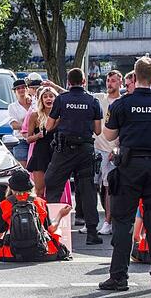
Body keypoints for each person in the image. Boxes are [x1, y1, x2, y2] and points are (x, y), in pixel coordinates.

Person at [101, 56, 151, 291]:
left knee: (123, 221)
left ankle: (119, 277)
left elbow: (109, 135)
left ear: (133, 76)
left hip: (129, 167)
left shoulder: (121, 104)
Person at [43, 68, 103, 245]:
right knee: (88, 190)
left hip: (64, 150)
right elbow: (98, 130)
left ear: (69, 82)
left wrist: (64, 119)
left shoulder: (61, 99)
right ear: (84, 82)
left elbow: (49, 125)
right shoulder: (93, 101)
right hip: (85, 150)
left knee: (53, 183)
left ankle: (50, 228)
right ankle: (92, 232)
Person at [0, 170, 72, 262]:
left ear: (11, 188)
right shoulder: (40, 202)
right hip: (43, 252)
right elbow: (51, 229)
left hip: (12, 254)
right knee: (57, 230)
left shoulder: (5, 204)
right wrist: (60, 214)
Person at [90, 70, 123, 236]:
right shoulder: (99, 98)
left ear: (120, 83)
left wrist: (117, 148)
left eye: (113, 81)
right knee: (92, 186)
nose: (109, 83)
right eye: (108, 80)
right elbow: (74, 94)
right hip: (96, 149)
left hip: (111, 152)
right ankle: (92, 222)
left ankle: (108, 222)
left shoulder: (123, 102)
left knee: (109, 188)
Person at [25, 87, 58, 198]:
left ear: (55, 98)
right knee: (39, 190)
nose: (48, 99)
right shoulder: (35, 115)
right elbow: (28, 139)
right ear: (41, 100)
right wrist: (37, 136)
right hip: (40, 154)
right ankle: (39, 213)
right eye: (45, 96)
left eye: (51, 96)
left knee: (54, 189)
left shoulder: (60, 116)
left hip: (56, 153)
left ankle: (52, 213)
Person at [8, 79, 32, 168]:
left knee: (37, 167)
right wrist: (30, 126)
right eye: (18, 89)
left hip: (36, 139)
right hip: (21, 140)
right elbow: (14, 125)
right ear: (15, 92)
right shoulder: (12, 107)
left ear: (27, 89)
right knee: (23, 168)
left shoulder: (35, 102)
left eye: (23, 87)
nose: (21, 90)